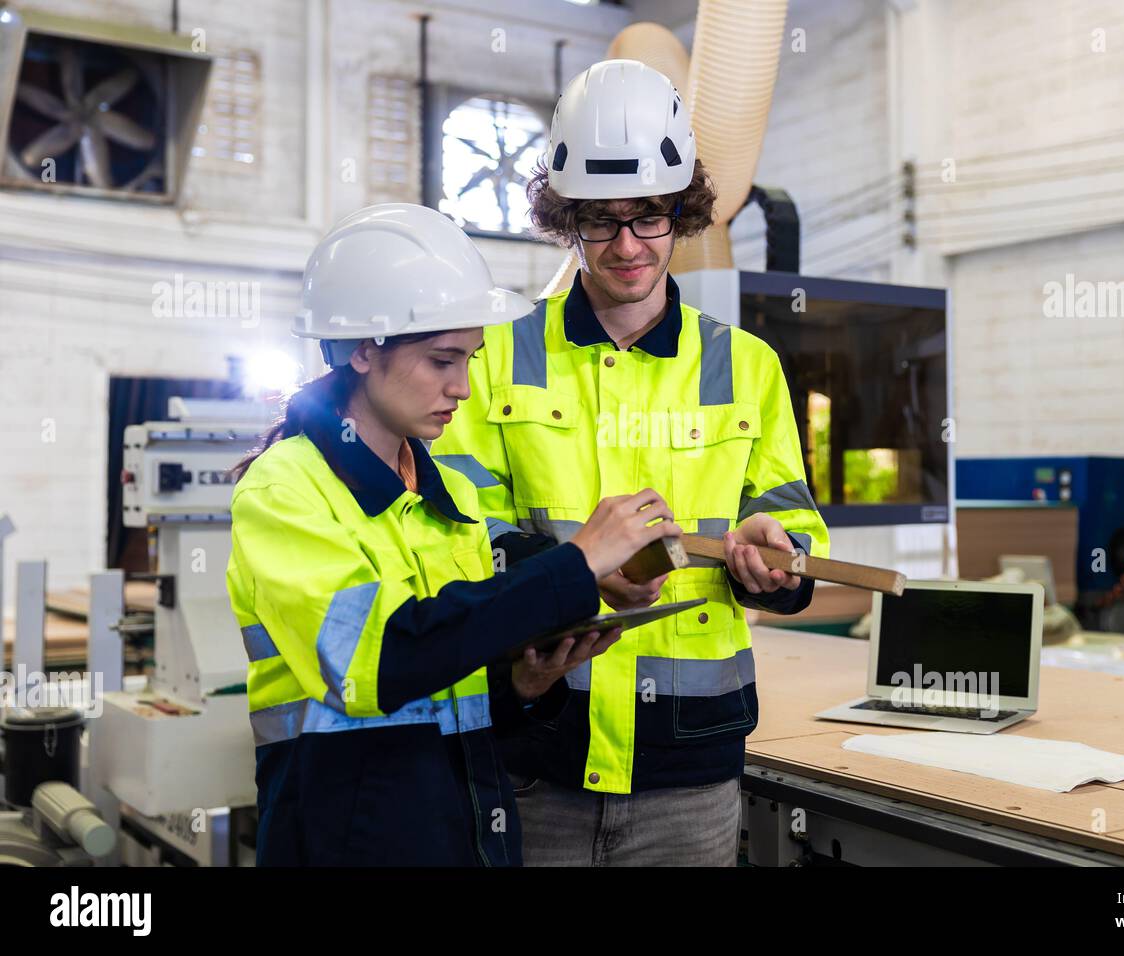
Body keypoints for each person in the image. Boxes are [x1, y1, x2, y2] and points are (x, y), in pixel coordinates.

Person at [430, 61, 830, 866]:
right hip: (540, 757)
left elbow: (796, 530)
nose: (627, 247)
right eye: (600, 221)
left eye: (649, 218)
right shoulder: (495, 360)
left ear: (681, 213)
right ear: (563, 219)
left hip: (690, 774)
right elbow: (459, 539)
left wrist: (778, 557)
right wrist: (576, 572)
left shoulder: (747, 366)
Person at [225, 203, 680, 865]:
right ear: (360, 349)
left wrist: (521, 686)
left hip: (471, 839)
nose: (463, 388)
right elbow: (376, 664)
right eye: (442, 360)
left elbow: (454, 678)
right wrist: (572, 565)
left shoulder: (452, 496)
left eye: (469, 359)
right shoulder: (285, 490)